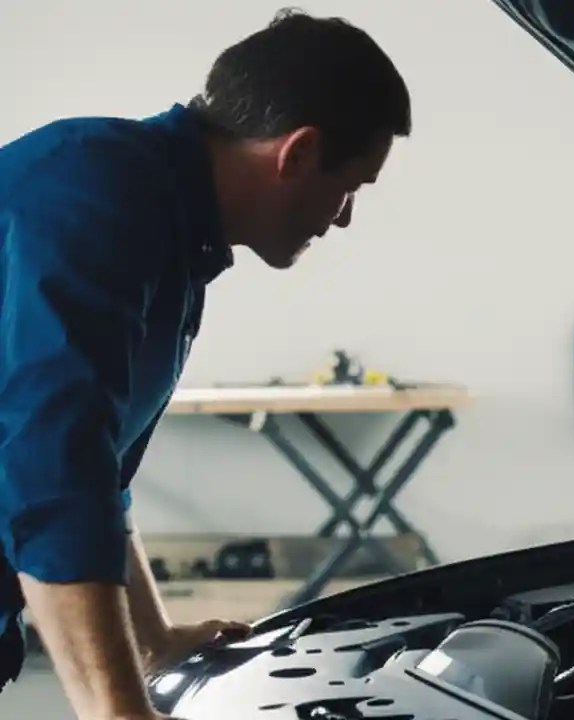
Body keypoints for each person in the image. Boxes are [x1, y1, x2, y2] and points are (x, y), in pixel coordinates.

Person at [0, 9, 411, 719]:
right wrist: (120, 710)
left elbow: (96, 467)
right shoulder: (94, 192)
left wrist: (153, 642)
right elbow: (52, 466)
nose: (343, 217)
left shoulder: (169, 226)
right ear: (298, 152)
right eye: (353, 187)